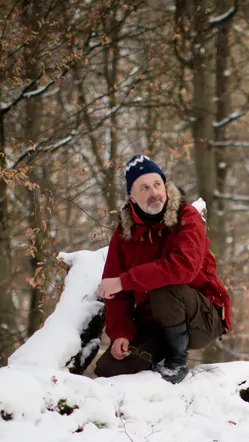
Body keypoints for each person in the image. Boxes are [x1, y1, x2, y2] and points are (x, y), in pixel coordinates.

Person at [94, 154, 232, 383]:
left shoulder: (187, 217)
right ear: (132, 196)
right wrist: (120, 333)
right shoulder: (125, 233)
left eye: (158, 184)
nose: (154, 192)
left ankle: (176, 362)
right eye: (144, 188)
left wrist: (124, 281)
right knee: (110, 369)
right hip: (154, 322)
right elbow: (115, 292)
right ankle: (156, 355)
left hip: (201, 319)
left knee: (163, 286)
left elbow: (183, 268)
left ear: (166, 187)